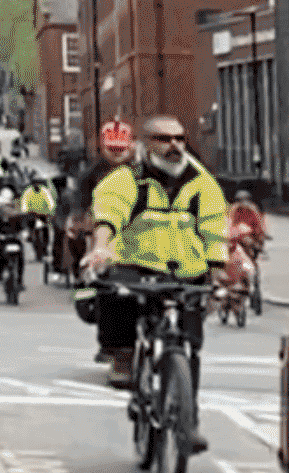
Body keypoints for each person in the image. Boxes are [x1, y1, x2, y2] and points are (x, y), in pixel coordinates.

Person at [82, 113, 228, 387]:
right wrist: (100, 248)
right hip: (136, 266)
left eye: (179, 138)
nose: (174, 145)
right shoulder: (126, 179)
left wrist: (218, 269)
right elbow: (109, 212)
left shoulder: (202, 183)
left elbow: (214, 226)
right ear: (146, 144)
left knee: (191, 342)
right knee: (116, 296)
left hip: (186, 270)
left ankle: (185, 415)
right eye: (163, 139)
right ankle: (122, 356)